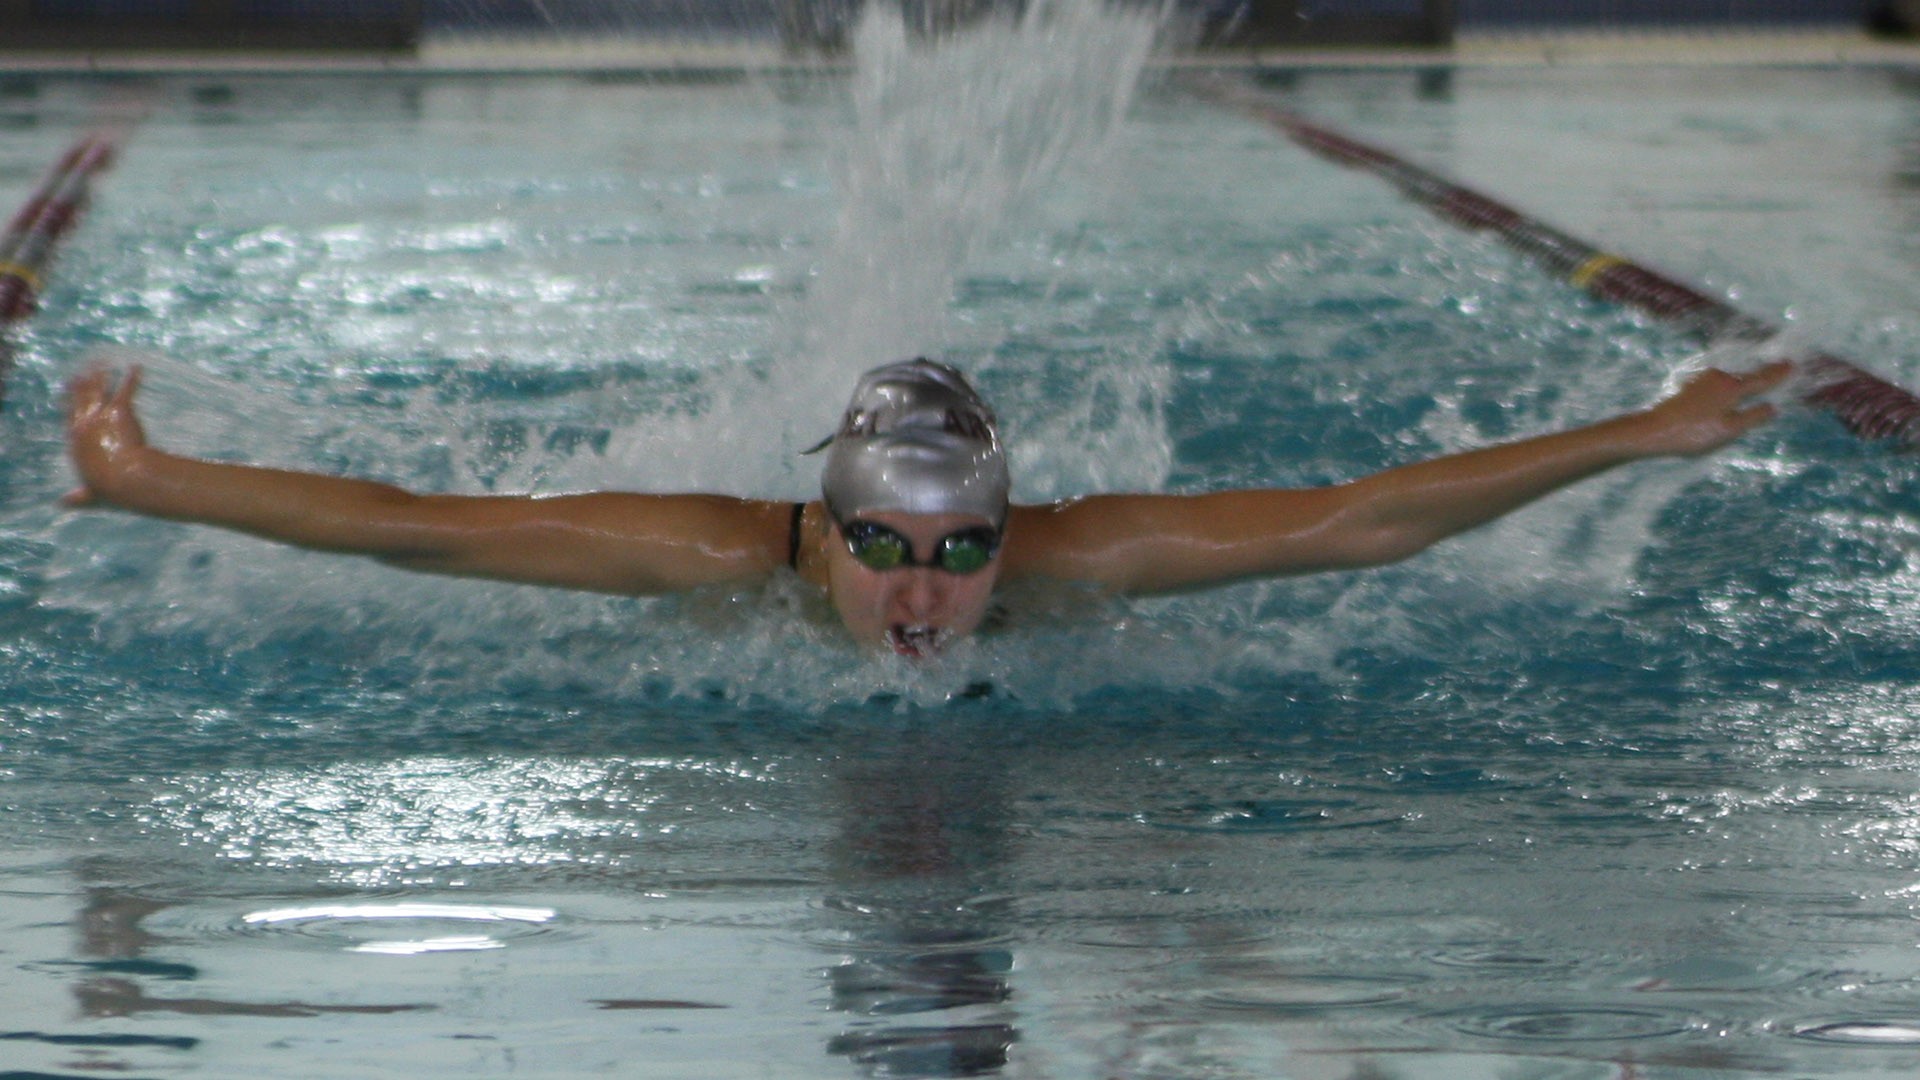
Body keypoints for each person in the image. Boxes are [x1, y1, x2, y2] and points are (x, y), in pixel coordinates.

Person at [64, 356, 1791, 659]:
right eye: (882, 549)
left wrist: (1640, 433)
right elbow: (418, 525)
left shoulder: (1077, 565)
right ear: (818, 533)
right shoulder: (707, 556)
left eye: (964, 553)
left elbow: (1357, 518)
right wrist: (143, 480)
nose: (925, 597)